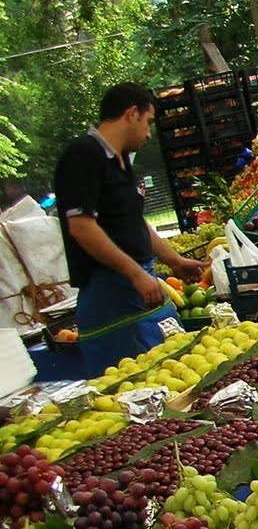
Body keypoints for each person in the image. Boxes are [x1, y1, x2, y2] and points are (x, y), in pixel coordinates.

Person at [54, 83, 207, 372]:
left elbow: (133, 219)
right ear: (131, 113)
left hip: (140, 285)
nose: (149, 133)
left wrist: (173, 260)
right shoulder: (82, 155)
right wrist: (135, 273)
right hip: (110, 291)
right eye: (148, 122)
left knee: (176, 367)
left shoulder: (121, 160)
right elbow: (82, 227)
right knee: (138, 378)